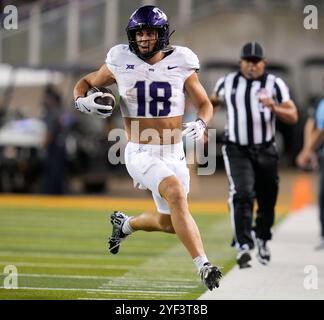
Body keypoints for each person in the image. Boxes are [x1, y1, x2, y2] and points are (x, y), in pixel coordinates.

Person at [72, 5, 222, 290]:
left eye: (150, 32)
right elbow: (86, 82)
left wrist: (202, 124)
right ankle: (203, 265)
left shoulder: (182, 60)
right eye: (139, 32)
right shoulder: (119, 59)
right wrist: (81, 101)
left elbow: (205, 104)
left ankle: (125, 225)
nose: (143, 38)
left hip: (174, 150)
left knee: (169, 222)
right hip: (140, 149)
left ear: (162, 34)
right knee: (175, 193)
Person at [210, 42, 298, 268]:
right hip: (236, 148)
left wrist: (274, 107)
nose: (251, 66)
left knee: (267, 200)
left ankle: (262, 238)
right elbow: (209, 104)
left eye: (256, 62)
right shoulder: (227, 82)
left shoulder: (275, 84)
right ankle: (243, 246)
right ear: (240, 62)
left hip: (265, 149)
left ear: (264, 63)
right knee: (242, 193)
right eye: (247, 61)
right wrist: (202, 126)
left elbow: (293, 115)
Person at [296, 97, 324, 250]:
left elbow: (321, 130)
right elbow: (311, 125)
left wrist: (307, 151)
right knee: (322, 196)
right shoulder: (320, 103)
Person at [42, 85, 67, 195]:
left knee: (53, 171)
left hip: (55, 146)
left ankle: (52, 193)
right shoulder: (62, 112)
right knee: (58, 171)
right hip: (61, 145)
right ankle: (58, 192)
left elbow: (50, 132)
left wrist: (44, 144)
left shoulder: (53, 113)